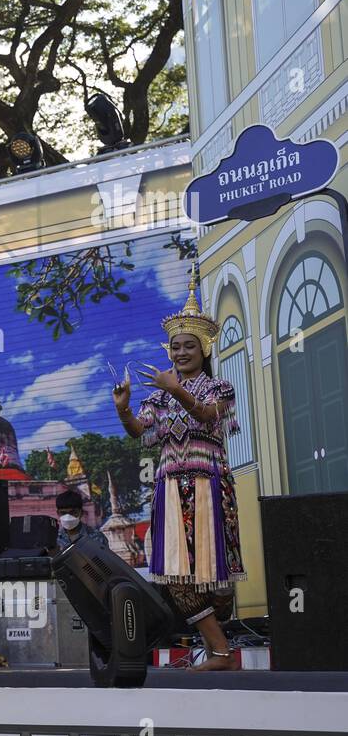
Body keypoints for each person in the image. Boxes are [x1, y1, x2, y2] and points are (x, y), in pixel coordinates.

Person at [113, 263, 245, 671]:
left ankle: (219, 648)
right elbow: (139, 431)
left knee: (215, 577)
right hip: (171, 490)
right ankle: (220, 650)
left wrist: (179, 391)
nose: (181, 352)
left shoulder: (220, 387)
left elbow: (209, 416)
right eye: (175, 346)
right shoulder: (158, 397)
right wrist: (122, 411)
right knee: (174, 576)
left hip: (208, 488)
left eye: (189, 345)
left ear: (204, 349)